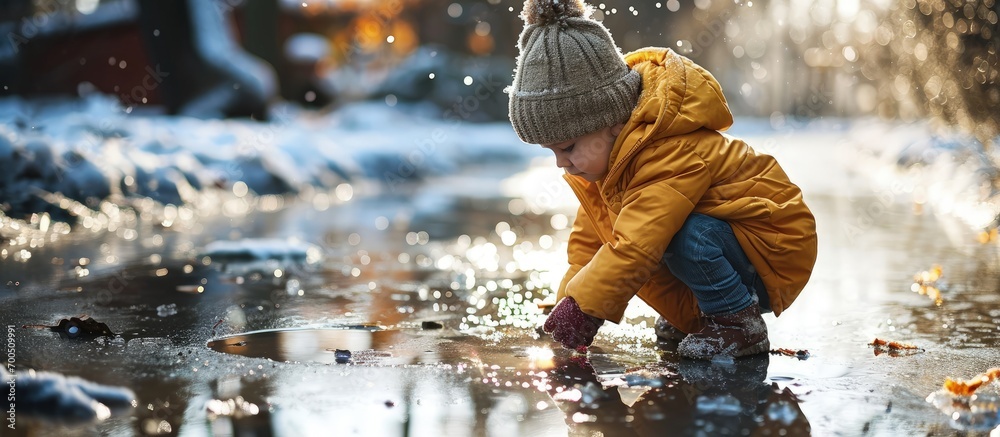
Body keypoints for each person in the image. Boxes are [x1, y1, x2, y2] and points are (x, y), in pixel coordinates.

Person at [506, 0, 818, 359]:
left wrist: (587, 310)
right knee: (654, 235)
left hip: (773, 247)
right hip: (737, 244)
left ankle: (737, 322)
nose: (563, 164)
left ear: (615, 123)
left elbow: (635, 246)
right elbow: (590, 245)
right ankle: (708, 311)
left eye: (569, 147)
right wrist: (569, 302)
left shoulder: (669, 152)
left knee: (680, 237)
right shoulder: (607, 168)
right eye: (553, 152)